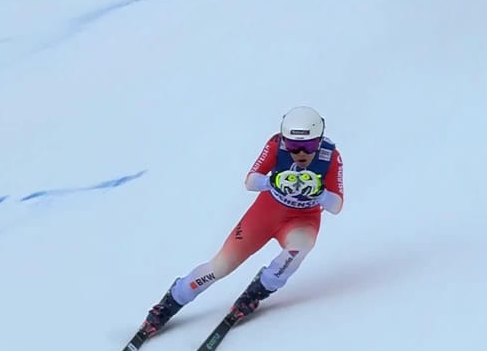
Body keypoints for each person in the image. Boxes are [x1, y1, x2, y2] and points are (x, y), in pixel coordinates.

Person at [139, 106, 345, 336]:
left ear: (319, 142)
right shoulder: (276, 145)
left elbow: (336, 205)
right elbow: (250, 181)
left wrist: (318, 193)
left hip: (302, 219)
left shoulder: (330, 156)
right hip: (267, 213)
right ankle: (171, 302)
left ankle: (259, 289)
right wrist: (272, 182)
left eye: (307, 147)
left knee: (300, 247)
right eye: (294, 146)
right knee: (221, 266)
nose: (300, 154)